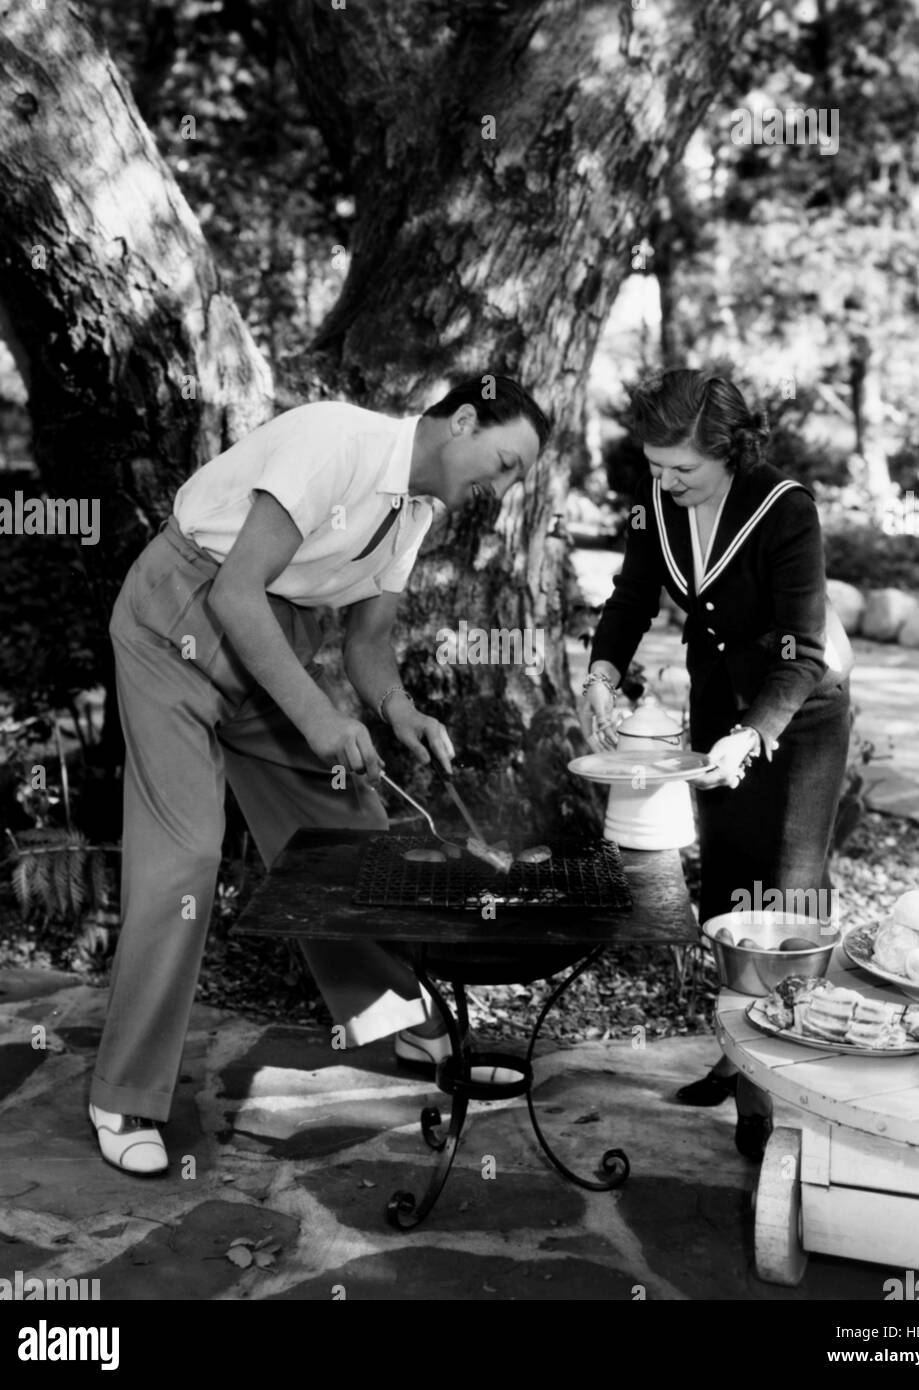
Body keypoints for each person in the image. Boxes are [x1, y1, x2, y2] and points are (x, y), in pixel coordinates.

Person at [88, 377, 549, 1175]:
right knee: (186, 861)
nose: (501, 490)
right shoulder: (337, 441)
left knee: (347, 826)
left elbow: (367, 647)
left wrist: (399, 711)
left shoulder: (416, 511)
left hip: (271, 642)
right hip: (181, 620)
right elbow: (236, 590)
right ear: (464, 419)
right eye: (504, 463)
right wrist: (321, 719)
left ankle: (397, 1012)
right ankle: (123, 1091)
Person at [579, 368, 851, 1162]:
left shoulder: (785, 509)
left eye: (682, 472)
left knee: (790, 897)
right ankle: (741, 1066)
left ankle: (787, 1085)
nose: (665, 483)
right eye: (655, 467)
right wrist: (600, 674)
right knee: (731, 890)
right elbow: (632, 598)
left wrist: (753, 731)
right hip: (716, 713)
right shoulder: (659, 499)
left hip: (797, 719)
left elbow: (801, 649)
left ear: (729, 450)